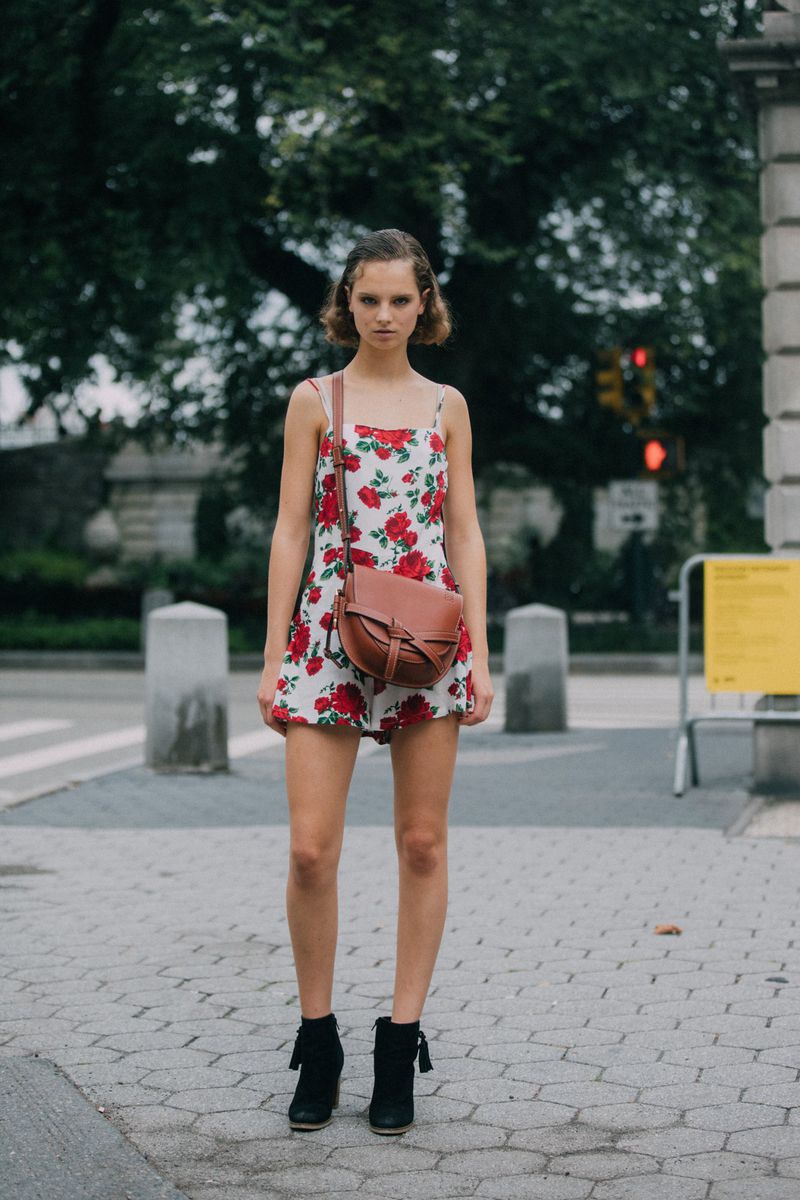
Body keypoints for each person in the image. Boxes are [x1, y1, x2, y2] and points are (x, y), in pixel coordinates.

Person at [256, 228, 493, 1135]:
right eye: (369, 300)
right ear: (345, 305)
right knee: (311, 849)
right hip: (327, 633)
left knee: (422, 843)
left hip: (429, 640)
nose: (386, 315)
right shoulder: (316, 399)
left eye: (402, 300)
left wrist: (477, 649)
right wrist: (274, 655)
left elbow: (464, 530)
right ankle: (319, 1038)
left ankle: (402, 1042)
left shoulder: (448, 407)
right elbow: (288, 532)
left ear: (424, 304)